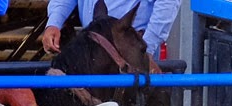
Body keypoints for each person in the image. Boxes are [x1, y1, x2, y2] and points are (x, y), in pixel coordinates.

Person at [42, 0, 178, 61]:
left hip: (132, 52)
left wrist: (145, 50)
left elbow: (168, 3)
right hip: (90, 51)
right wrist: (54, 23)